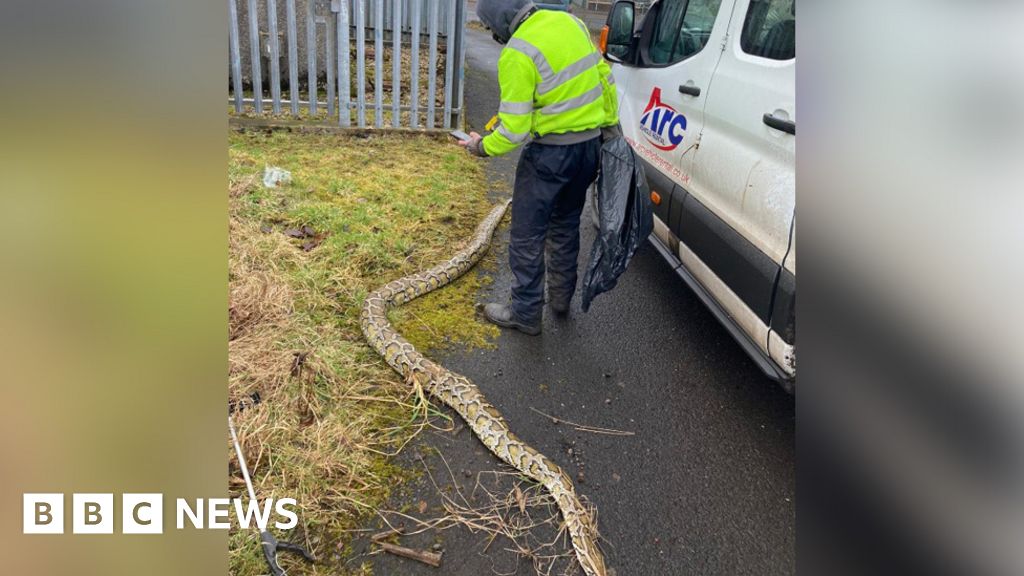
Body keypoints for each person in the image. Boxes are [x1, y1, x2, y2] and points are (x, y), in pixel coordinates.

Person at [459, 0, 618, 336]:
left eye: (490, 28)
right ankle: (561, 299)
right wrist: (608, 127)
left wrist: (481, 146)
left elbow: (514, 132)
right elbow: (603, 78)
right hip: (589, 149)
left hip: (549, 156)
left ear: (502, 21)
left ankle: (525, 312)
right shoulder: (571, 23)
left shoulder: (517, 52)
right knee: (565, 224)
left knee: (527, 234)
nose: (492, 35)